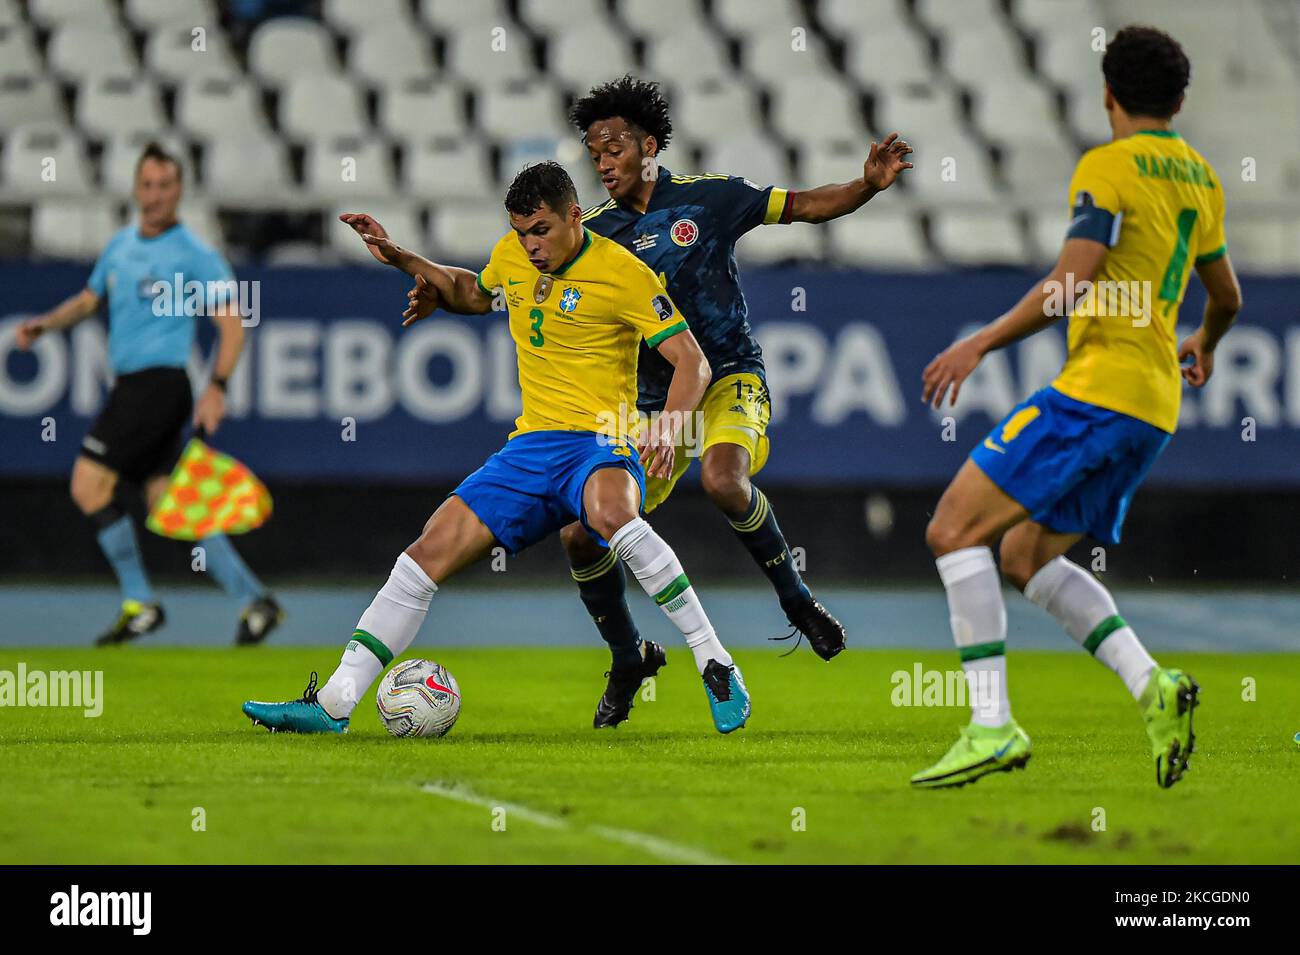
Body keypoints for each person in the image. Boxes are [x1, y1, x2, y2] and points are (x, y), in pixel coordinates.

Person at [408, 76, 913, 728]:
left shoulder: (712, 198)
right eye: (593, 152)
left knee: (725, 477)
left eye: (614, 146)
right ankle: (627, 658)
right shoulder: (588, 233)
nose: (604, 161)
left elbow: (807, 206)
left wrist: (866, 184)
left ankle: (796, 600)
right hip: (647, 403)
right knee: (579, 533)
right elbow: (492, 289)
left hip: (728, 375)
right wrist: (432, 285)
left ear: (649, 144)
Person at [242, 162, 751, 735]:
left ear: (573, 217)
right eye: (521, 231)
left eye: (541, 230)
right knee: (425, 554)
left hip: (600, 441)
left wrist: (669, 425)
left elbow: (692, 360)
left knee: (613, 515)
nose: (530, 245)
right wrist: (409, 262)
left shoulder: (623, 273)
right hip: (530, 449)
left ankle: (714, 660)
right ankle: (333, 704)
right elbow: (476, 291)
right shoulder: (512, 254)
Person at [912, 26, 1241, 789]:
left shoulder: (1107, 165)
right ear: (1180, 101)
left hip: (1100, 388)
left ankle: (991, 724)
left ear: (1107, 94)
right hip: (1155, 406)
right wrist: (1206, 341)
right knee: (1023, 555)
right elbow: (1227, 296)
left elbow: (1072, 281)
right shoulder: (1202, 177)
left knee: (951, 528)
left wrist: (982, 342)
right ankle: (1153, 686)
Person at [16, 143, 283, 646]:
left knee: (87, 485)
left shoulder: (195, 254)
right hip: (136, 387)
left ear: (179, 191)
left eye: (164, 186)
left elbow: (232, 327)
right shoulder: (120, 246)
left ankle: (141, 603)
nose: (155, 195)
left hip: (158, 387)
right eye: (147, 185)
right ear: (136, 189)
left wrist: (218, 387)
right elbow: (90, 300)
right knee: (169, 501)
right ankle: (255, 602)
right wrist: (45, 326)